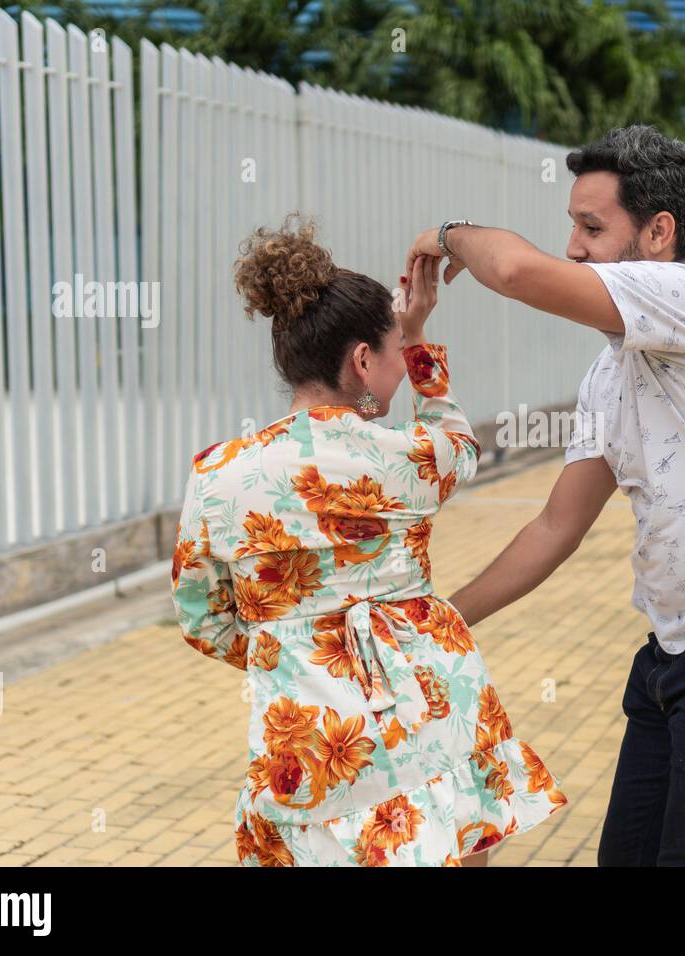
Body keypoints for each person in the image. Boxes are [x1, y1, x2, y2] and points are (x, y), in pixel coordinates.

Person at [406, 125, 685, 866]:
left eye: (591, 227)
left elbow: (513, 271)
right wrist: (439, 619)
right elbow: (556, 524)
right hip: (676, 654)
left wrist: (445, 236)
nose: (572, 246)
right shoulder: (611, 374)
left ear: (658, 233)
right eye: (572, 226)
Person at [170, 216, 567, 867]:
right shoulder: (405, 459)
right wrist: (417, 335)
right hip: (435, 710)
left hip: (315, 742)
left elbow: (201, 618)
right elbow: (458, 442)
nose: (395, 370)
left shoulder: (219, 475)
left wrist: (290, 647)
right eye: (390, 354)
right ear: (363, 360)